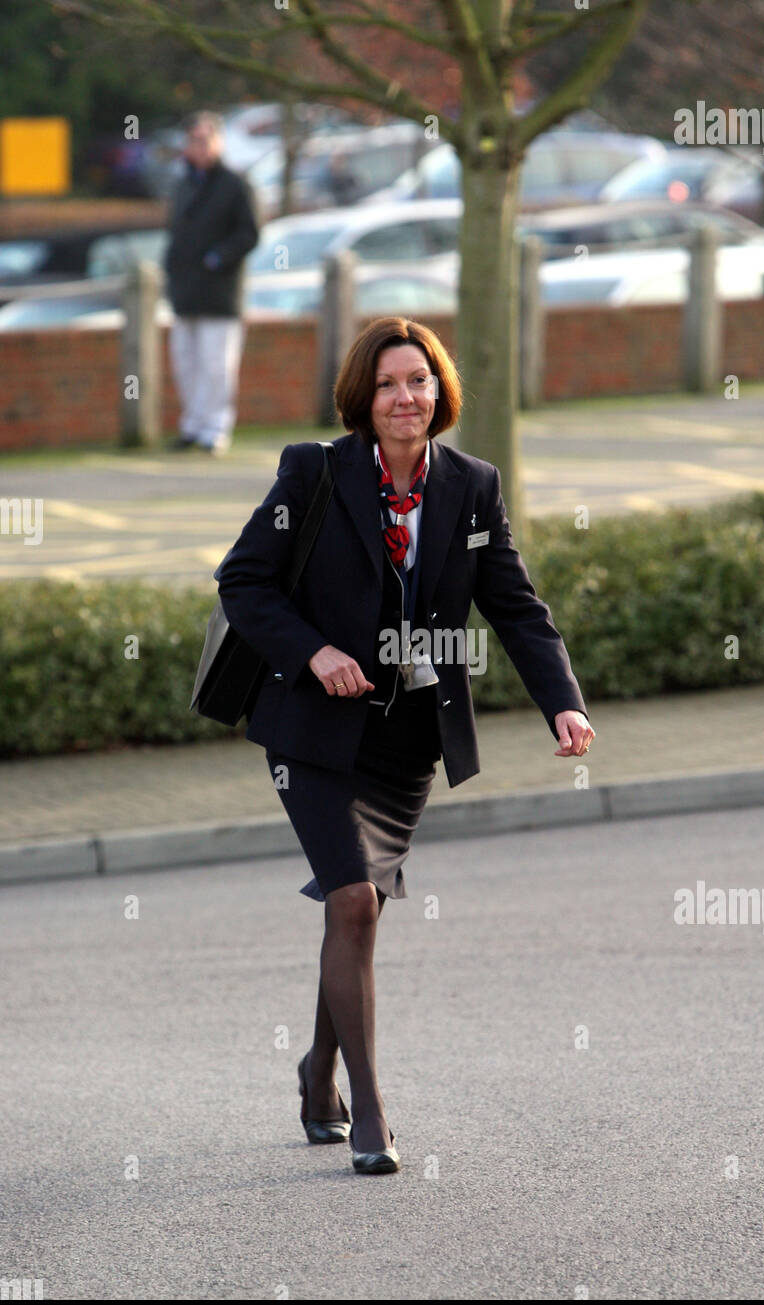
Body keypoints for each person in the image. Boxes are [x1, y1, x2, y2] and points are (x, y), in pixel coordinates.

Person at [216, 316, 595, 1175]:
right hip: (311, 729)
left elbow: (516, 606)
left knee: (359, 911)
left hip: (407, 741)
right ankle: (370, 1114)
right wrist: (314, 651)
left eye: (419, 381)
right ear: (364, 395)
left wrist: (561, 704)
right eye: (388, 383)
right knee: (352, 903)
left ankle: (317, 1076)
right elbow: (243, 580)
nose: (405, 398)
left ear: (440, 392)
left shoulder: (473, 486)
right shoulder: (312, 471)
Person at [164, 111, 259, 455]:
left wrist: (218, 257)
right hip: (185, 292)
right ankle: (192, 425)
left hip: (220, 292)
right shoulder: (183, 184)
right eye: (192, 140)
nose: (198, 147)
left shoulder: (235, 184)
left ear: (218, 142)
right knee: (186, 362)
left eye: (204, 140)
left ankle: (215, 429)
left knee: (216, 364)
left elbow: (249, 233)